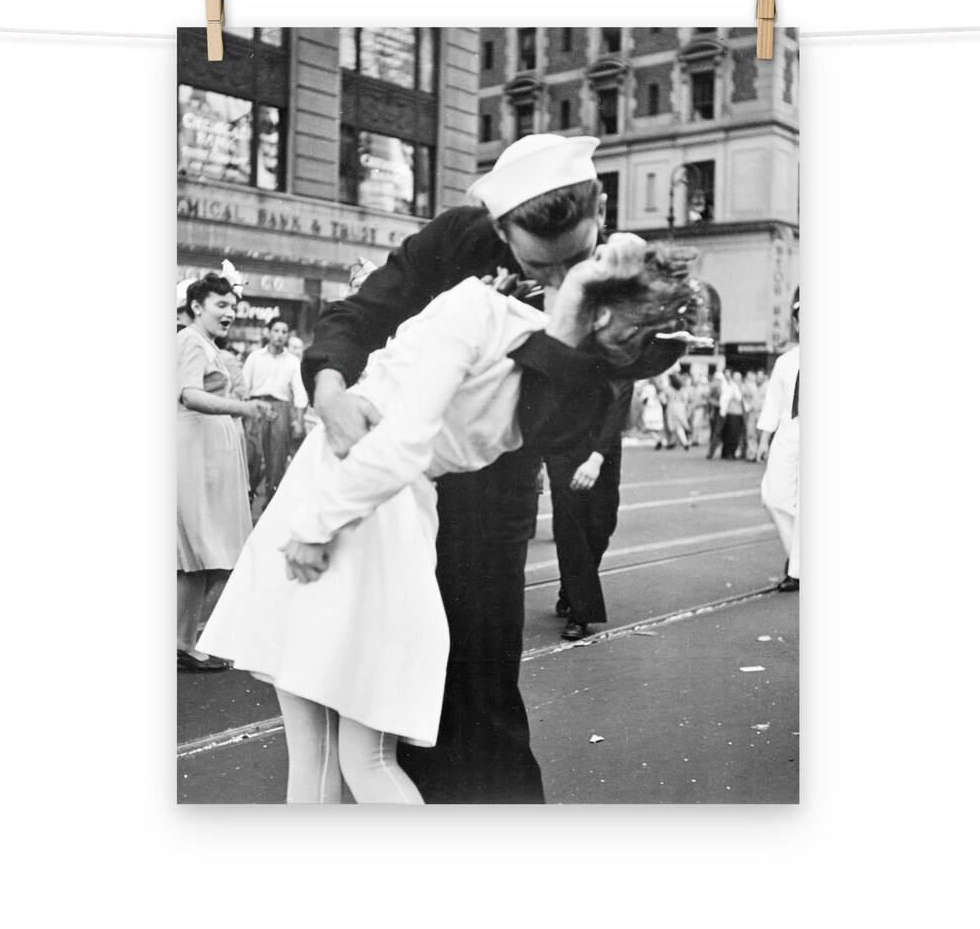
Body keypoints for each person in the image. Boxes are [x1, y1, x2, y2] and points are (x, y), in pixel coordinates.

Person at [199, 243, 706, 801]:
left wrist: (316, 524)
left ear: (598, 306)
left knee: (324, 756)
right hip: (400, 522)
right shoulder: (564, 389)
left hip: (347, 492)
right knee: (362, 758)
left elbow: (401, 435)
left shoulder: (482, 312)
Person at [297, 133, 694, 803]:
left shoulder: (620, 270)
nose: (555, 279)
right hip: (393, 497)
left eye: (572, 258)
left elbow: (634, 364)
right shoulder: (456, 238)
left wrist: (612, 324)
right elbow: (362, 312)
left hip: (492, 495)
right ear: (501, 227)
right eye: (540, 264)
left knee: (481, 692)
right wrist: (331, 385)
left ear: (600, 208)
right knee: (384, 696)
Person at [177, 269, 273, 672]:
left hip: (210, 454)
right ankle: (180, 641)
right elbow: (190, 394)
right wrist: (243, 408)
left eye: (233, 305)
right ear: (197, 307)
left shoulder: (205, 343)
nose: (230, 312)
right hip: (194, 452)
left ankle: (184, 639)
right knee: (196, 551)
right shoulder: (190, 341)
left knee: (205, 553)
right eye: (221, 305)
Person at [547, 381, 633, 640]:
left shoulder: (618, 350)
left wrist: (596, 457)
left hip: (604, 448)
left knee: (602, 523)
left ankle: (570, 588)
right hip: (563, 445)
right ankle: (581, 613)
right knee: (569, 523)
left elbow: (619, 404)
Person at [242, 316, 308, 506]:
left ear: (287, 336)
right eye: (276, 330)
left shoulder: (292, 361)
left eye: (284, 332)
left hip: (280, 409)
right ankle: (247, 499)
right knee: (252, 455)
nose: (280, 335)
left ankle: (270, 507)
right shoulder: (255, 357)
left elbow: (299, 392)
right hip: (256, 406)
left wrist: (299, 421)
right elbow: (244, 387)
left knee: (277, 459)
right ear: (268, 333)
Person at [758, 299, 800, 591]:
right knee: (774, 496)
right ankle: (797, 557)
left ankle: (797, 570)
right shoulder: (786, 362)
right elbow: (773, 403)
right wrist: (763, 439)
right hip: (788, 434)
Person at [720, 370, 746, 460]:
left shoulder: (742, 387)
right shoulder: (730, 387)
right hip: (731, 413)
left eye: (738, 379)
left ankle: (731, 452)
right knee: (730, 435)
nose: (737, 380)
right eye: (735, 378)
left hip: (740, 414)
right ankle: (728, 453)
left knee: (736, 435)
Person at [639, 378, 668, 448]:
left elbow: (643, 399)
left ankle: (658, 440)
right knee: (656, 428)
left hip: (650, 408)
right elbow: (664, 401)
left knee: (649, 427)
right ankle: (659, 439)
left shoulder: (647, 387)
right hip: (657, 408)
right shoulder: (659, 388)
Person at [705, 371, 726, 458]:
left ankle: (713, 451)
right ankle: (711, 451)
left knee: (717, 432)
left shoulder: (724, 387)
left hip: (722, 412)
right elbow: (709, 399)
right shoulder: (713, 387)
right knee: (715, 432)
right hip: (715, 412)